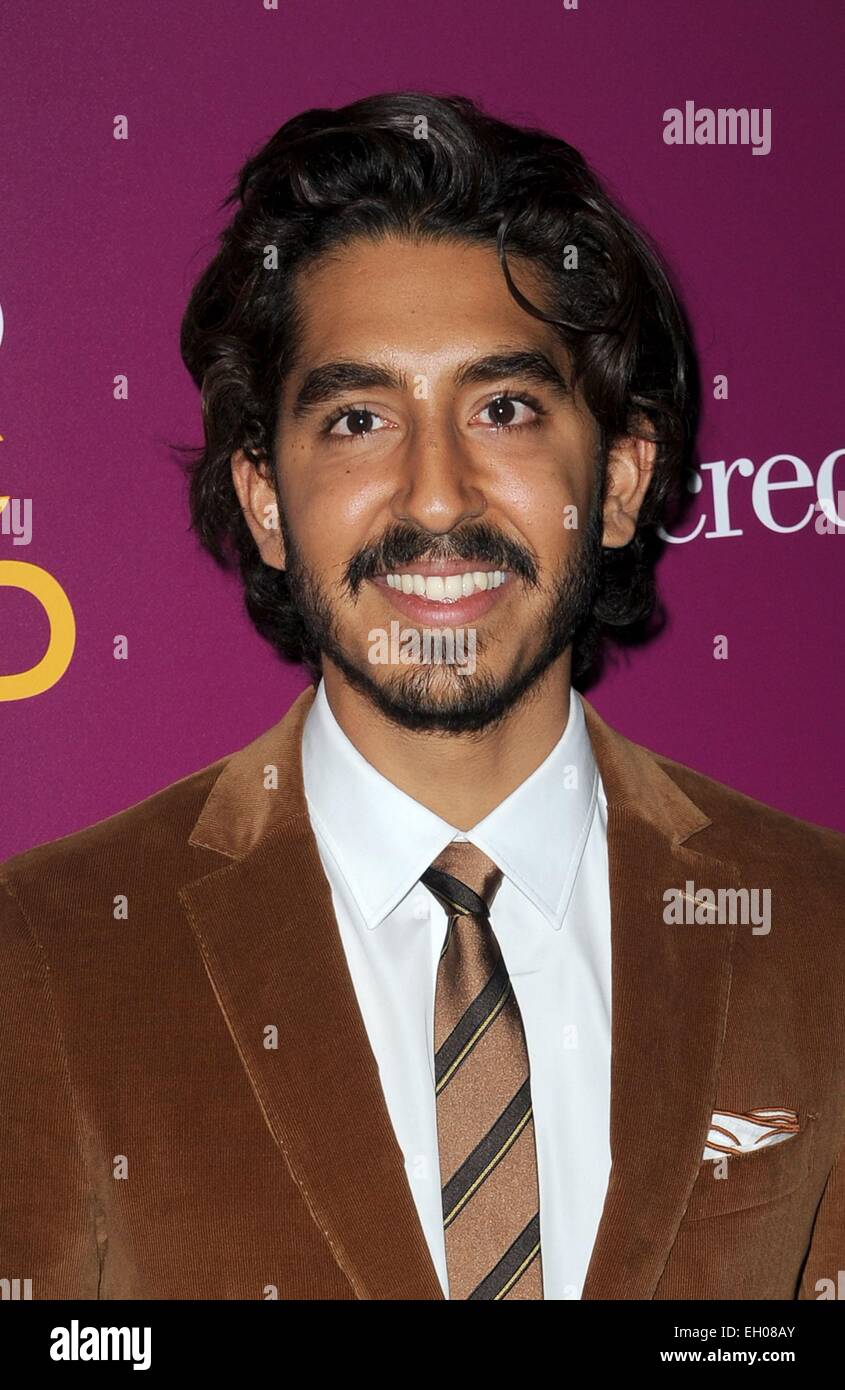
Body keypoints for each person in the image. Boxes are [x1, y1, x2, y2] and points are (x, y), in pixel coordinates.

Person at [1, 92, 842, 1301]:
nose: (436, 498)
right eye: (357, 418)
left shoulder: (817, 933)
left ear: (615, 482)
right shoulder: (49, 951)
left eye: (502, 409)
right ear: (263, 501)